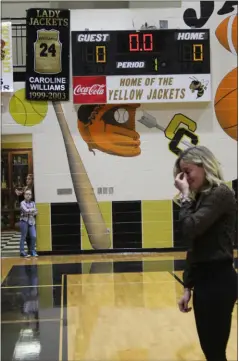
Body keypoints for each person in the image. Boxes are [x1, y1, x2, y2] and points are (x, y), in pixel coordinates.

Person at [174, 146, 237, 361]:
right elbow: (194, 246)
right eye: (181, 174)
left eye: (188, 171)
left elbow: (190, 228)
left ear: (204, 166)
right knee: (210, 351)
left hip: (220, 281)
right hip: (203, 281)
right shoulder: (199, 198)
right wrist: (187, 286)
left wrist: (184, 197)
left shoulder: (221, 193)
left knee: (215, 351)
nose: (185, 179)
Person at [16, 174, 35, 254]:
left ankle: (31, 249)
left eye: (29, 179)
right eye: (27, 179)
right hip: (25, 215)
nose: (27, 180)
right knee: (25, 235)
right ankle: (26, 249)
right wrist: (19, 194)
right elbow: (21, 201)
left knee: (32, 235)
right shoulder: (25, 188)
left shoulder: (33, 188)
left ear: (32, 180)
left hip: (31, 215)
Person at [20, 190, 38, 258]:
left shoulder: (33, 203)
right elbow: (25, 210)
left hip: (31, 221)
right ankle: (22, 251)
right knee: (23, 237)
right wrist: (32, 210)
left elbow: (36, 212)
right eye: (27, 194)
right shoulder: (22, 203)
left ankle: (32, 250)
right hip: (24, 221)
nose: (28, 195)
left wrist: (30, 210)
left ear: (31, 196)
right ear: (24, 195)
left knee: (33, 236)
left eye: (30, 194)